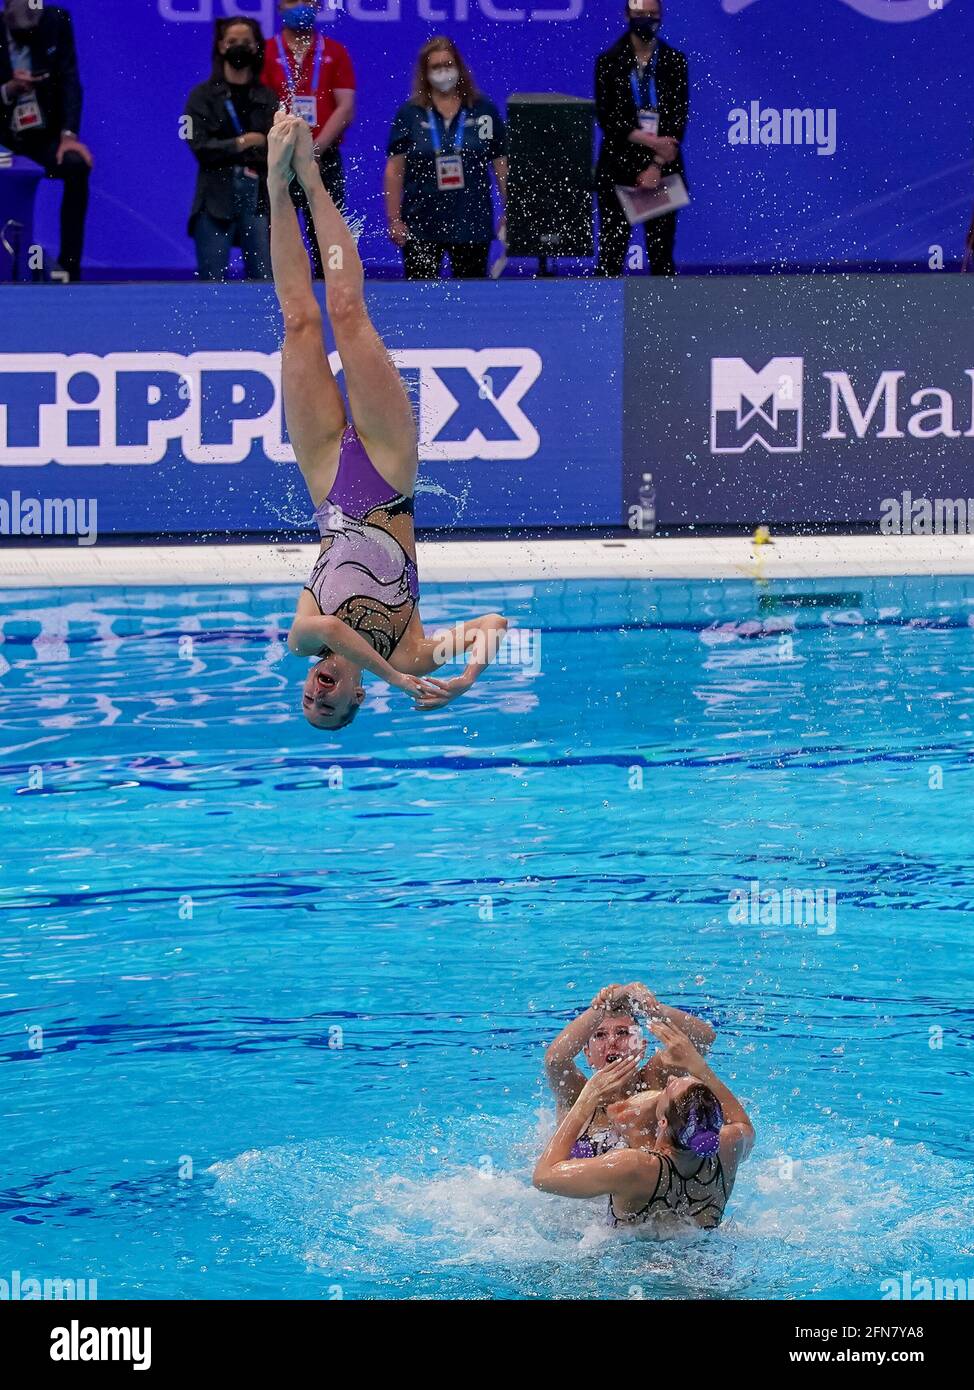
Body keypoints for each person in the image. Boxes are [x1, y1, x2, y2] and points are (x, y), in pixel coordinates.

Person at [268, 111, 509, 729]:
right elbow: (493, 626)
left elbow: (325, 625)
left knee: (299, 319)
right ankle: (314, 183)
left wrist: (400, 678)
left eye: (308, 701)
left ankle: (279, 188)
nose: (317, 693)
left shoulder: (301, 641)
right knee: (347, 312)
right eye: (329, 705)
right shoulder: (409, 652)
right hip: (388, 469)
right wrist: (459, 680)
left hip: (324, 478)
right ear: (356, 699)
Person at [534, 1021, 755, 1235]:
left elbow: (543, 1177)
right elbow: (742, 1123)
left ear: (663, 1122)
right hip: (707, 1264)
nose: (669, 1078)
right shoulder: (729, 1146)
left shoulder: (632, 1166)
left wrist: (585, 1101)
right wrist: (699, 1068)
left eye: (667, 1089)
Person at [544, 981, 716, 1159]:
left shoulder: (656, 1078)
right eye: (600, 1035)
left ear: (641, 1047)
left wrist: (652, 1009)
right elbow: (554, 1060)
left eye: (623, 1033)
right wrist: (600, 1008)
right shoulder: (577, 1094)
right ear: (587, 1054)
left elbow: (703, 1038)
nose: (611, 1042)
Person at [385, 36, 507, 280]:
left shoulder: (483, 109)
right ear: (425, 72)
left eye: (448, 65)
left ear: (459, 67)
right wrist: (394, 219)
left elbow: (501, 164)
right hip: (422, 224)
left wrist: (509, 210)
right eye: (436, 67)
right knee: (420, 300)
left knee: (471, 301)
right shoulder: (410, 113)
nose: (443, 72)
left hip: (471, 222)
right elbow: (394, 171)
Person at [594, 0, 688, 277]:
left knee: (661, 259)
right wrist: (651, 142)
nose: (646, 20)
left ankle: (666, 319)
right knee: (611, 257)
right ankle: (605, 318)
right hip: (618, 171)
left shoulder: (674, 62)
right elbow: (608, 119)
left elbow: (677, 118)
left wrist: (656, 164)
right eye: (639, 14)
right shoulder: (608, 62)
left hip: (663, 171)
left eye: (652, 14)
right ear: (627, 15)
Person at [262, 0, 355, 278]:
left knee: (328, 238)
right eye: (293, 0)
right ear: (279, 6)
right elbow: (262, 107)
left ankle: (334, 296)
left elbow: (346, 107)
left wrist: (314, 149)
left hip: (324, 159)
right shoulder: (266, 52)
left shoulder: (335, 52)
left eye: (307, 0)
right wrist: (286, 147)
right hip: (281, 160)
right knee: (282, 235)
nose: (301, 5)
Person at [0, 0, 91, 281]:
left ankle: (69, 269)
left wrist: (68, 135)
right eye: (21, 33)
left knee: (77, 166)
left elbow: (70, 79)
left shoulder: (56, 21)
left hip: (42, 135)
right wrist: (7, 89)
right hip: (3, 134)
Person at [184, 18, 278, 282]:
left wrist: (229, 148)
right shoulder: (201, 97)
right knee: (211, 282)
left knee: (265, 282)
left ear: (256, 47)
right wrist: (244, 142)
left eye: (246, 42)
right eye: (232, 42)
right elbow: (200, 147)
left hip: (258, 195)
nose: (239, 47)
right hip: (214, 197)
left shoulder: (268, 97)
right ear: (221, 46)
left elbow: (275, 147)